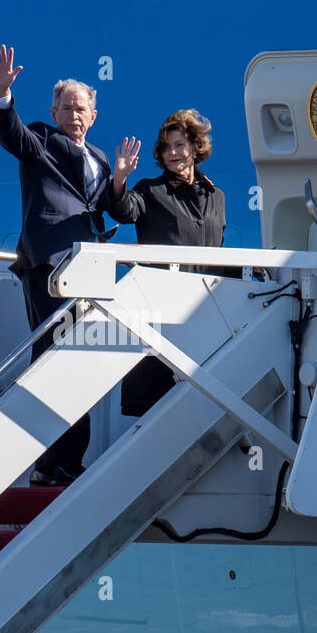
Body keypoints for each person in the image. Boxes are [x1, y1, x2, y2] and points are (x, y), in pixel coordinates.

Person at [0, 44, 119, 485]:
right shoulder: (40, 140)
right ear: (54, 111)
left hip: (87, 273)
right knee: (51, 361)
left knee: (78, 364)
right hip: (48, 269)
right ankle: (45, 460)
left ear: (93, 116)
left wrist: (119, 184)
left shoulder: (99, 158)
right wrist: (3, 97)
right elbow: (12, 136)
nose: (74, 115)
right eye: (66, 107)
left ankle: (67, 460)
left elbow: (104, 206)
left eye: (81, 108)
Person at [108, 109, 233, 416]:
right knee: (157, 412)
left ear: (195, 147)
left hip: (206, 314)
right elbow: (124, 210)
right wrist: (120, 178)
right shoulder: (151, 191)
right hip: (161, 317)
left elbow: (218, 252)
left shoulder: (216, 195)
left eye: (179, 144)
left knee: (203, 408)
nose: (172, 153)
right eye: (166, 147)